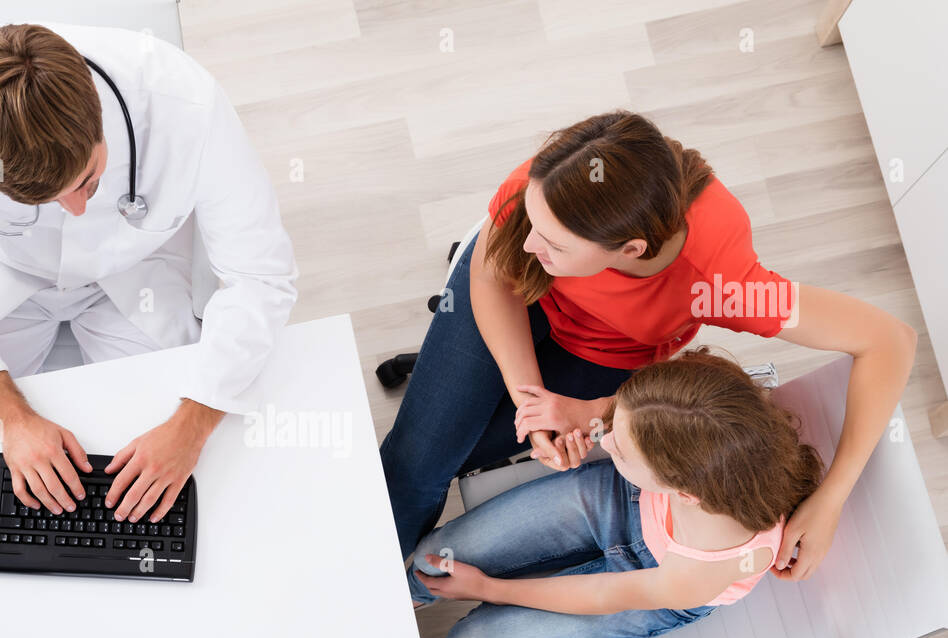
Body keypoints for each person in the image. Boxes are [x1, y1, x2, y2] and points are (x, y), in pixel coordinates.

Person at [380, 111, 916, 584]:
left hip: (602, 354)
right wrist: (528, 396)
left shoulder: (719, 280)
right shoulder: (560, 180)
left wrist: (831, 498)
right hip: (514, 295)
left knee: (451, 458)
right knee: (414, 467)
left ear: (630, 250)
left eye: (554, 241)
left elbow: (889, 340)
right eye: (534, 222)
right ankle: (360, 586)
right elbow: (497, 267)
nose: (528, 240)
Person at [0, 23, 298, 523]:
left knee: (202, 466)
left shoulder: (186, 105)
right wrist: (10, 417)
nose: (74, 210)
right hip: (3, 273)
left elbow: (262, 278)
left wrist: (191, 426)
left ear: (98, 114)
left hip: (135, 271)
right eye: (43, 200)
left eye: (88, 181)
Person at [409, 348, 823, 638]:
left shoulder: (707, 570)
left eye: (618, 450)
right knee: (434, 556)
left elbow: (603, 594)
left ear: (681, 492)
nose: (604, 443)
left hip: (653, 582)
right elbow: (618, 416)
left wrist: (489, 588)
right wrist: (588, 424)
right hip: (627, 500)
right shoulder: (699, 412)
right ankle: (409, 594)